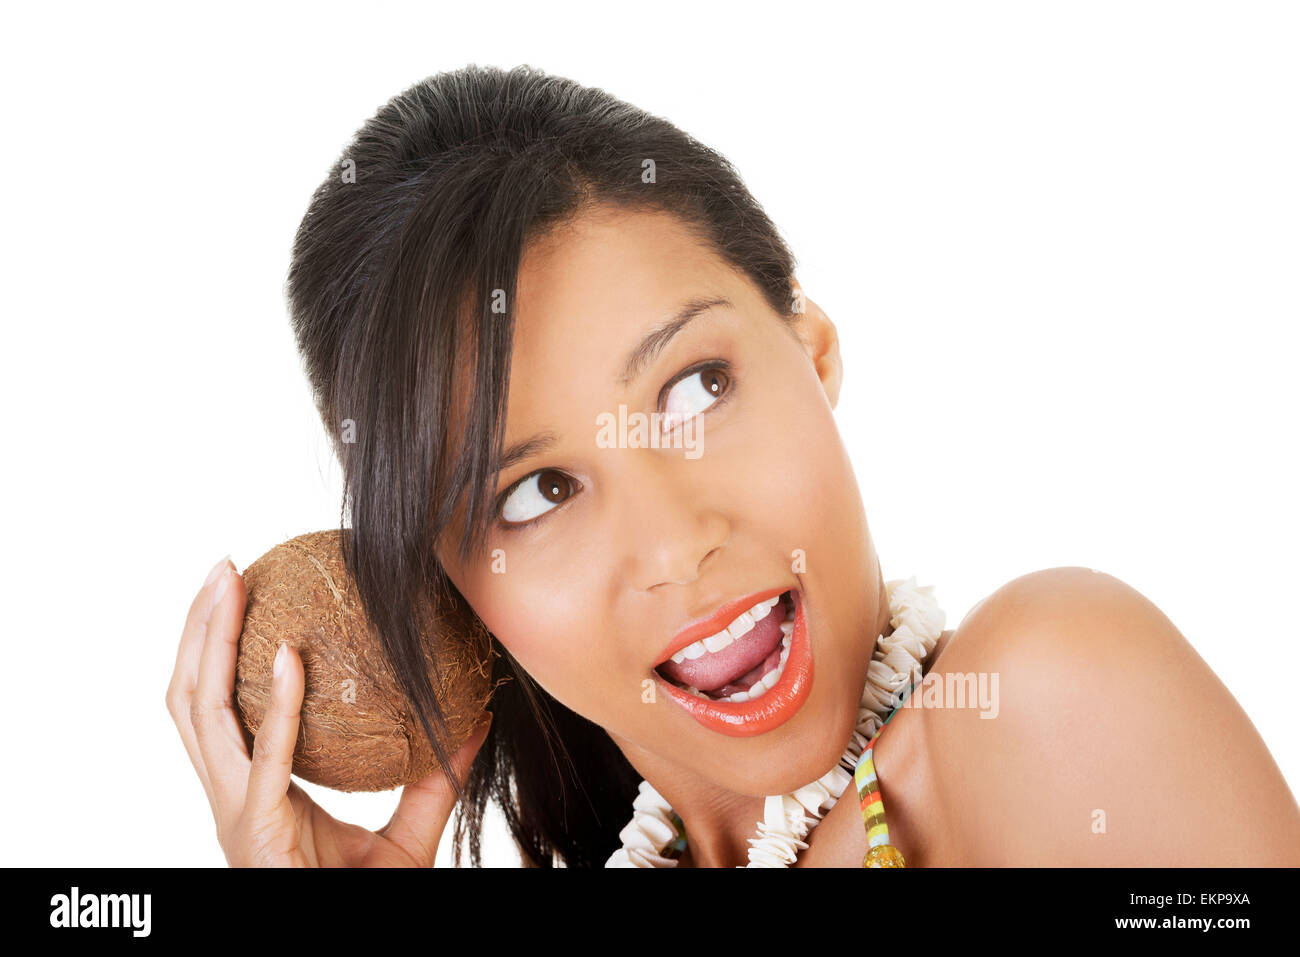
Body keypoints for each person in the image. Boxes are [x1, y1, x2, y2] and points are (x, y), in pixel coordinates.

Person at [166, 64, 1300, 868]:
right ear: (452, 595)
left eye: (694, 388)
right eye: (533, 492)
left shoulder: (1049, 703)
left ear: (812, 352)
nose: (675, 542)